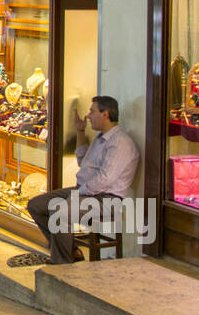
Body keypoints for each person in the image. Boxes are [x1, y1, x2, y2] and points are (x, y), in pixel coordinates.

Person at [26, 97, 139, 265]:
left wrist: (77, 194)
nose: (88, 115)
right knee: (36, 205)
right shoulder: (100, 139)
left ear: (105, 114)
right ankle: (71, 251)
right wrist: (80, 131)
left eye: (92, 111)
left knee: (60, 211)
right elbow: (82, 160)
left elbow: (105, 180)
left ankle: (61, 264)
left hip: (106, 198)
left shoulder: (120, 143)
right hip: (86, 191)